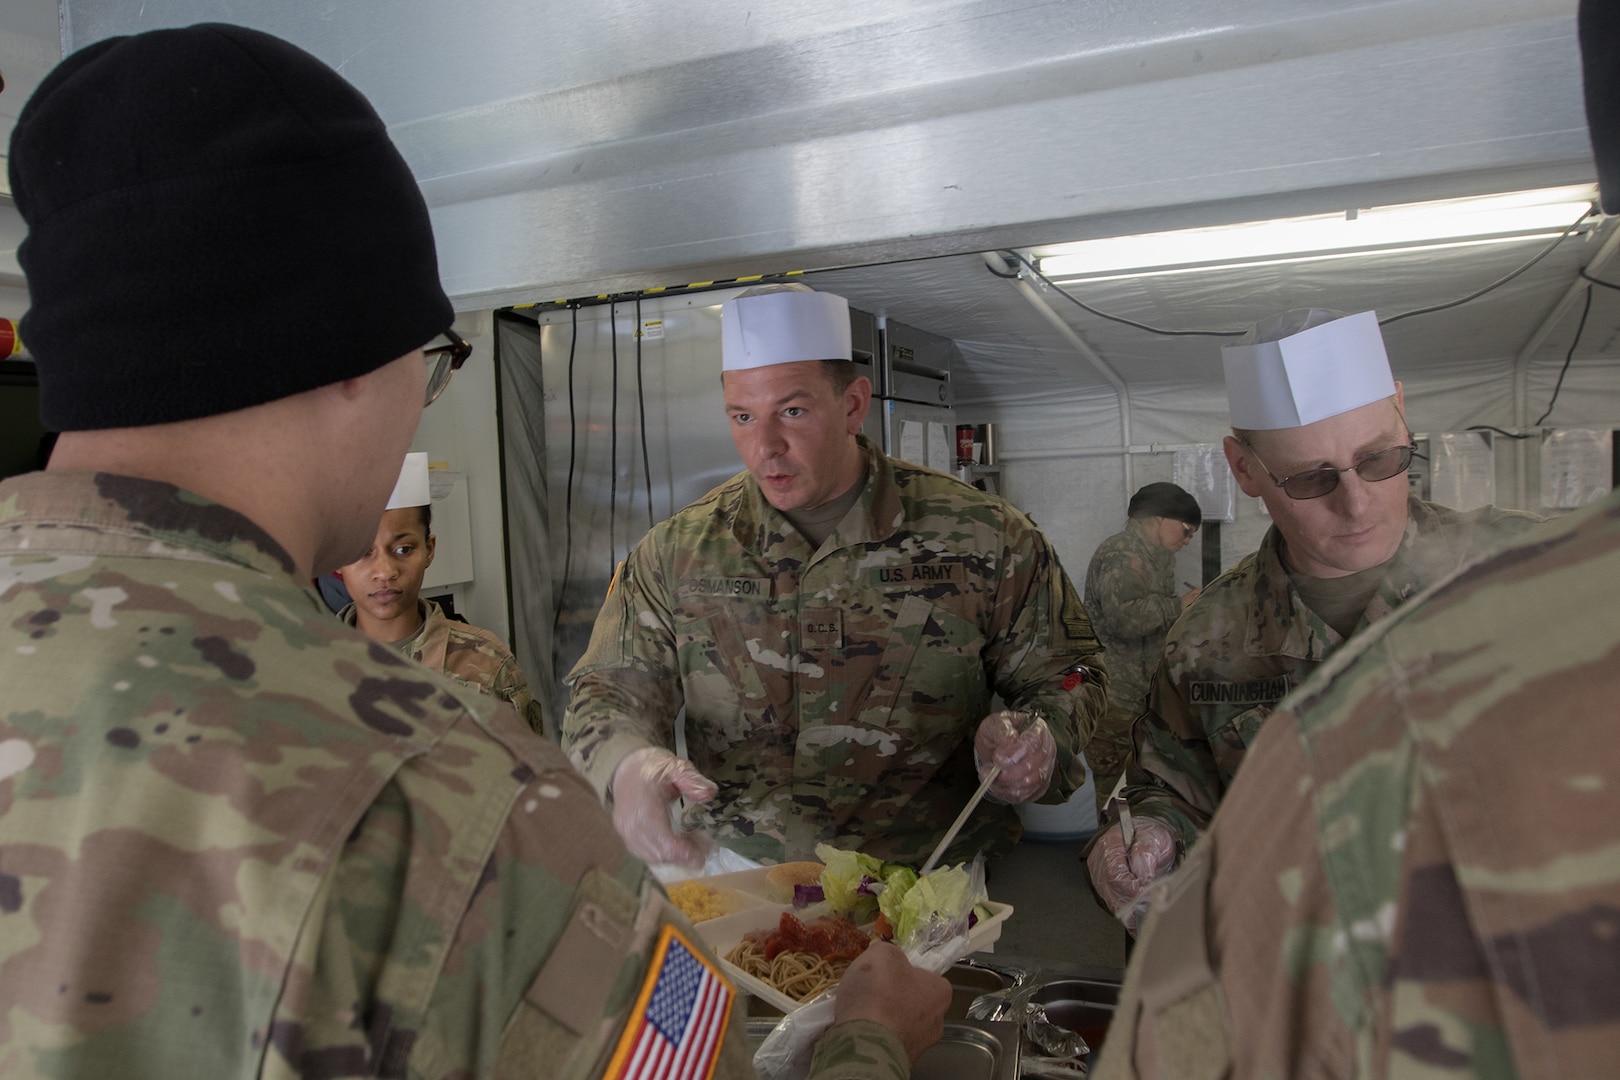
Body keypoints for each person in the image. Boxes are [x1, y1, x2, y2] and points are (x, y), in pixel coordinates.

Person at [0, 24, 945, 1078]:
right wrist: (870, 1041)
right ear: (351, 353)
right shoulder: (448, 808)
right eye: (431, 362)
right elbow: (602, 701)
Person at [563, 284, 1110, 868]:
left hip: (924, 882)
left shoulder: (982, 535)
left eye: (792, 411)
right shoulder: (677, 552)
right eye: (742, 417)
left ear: (852, 404)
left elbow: (1070, 671)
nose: (765, 447)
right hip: (740, 877)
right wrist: (626, 763)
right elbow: (607, 690)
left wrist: (1041, 737)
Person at [1086, 309, 1541, 930]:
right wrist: (1146, 840)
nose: (1355, 502)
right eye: (1309, 478)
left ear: (1403, 411)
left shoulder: (1546, 569)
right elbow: (1170, 793)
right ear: (1245, 469)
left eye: (1380, 458)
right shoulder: (1206, 642)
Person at [339, 452, 546, 735]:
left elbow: (532, 771)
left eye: (404, 549)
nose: (385, 571)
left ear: (429, 549)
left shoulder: (486, 663)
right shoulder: (305, 665)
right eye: (363, 552)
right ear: (336, 557)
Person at [1080, 482, 1202, 819]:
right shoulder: (1121, 554)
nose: (1187, 540)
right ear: (1159, 518)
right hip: (1115, 701)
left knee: (1142, 791)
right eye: (1186, 530)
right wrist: (1177, 606)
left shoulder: (1157, 559)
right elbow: (1125, 619)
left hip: (1141, 696)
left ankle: (1139, 863)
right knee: (1114, 798)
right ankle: (1112, 865)